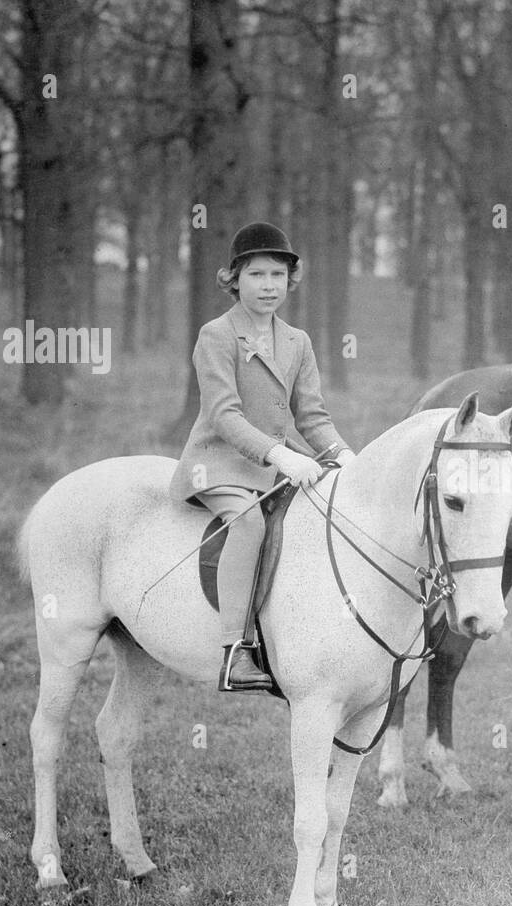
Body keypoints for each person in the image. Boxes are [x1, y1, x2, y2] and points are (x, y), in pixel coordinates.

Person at [171, 222, 355, 690]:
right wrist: (281, 455)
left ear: (290, 280)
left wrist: (344, 456)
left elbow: (311, 416)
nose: (269, 285)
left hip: (274, 466)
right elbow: (224, 416)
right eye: (256, 275)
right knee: (249, 523)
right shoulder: (216, 335)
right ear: (234, 279)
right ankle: (235, 651)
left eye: (277, 274)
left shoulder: (298, 341)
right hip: (219, 463)